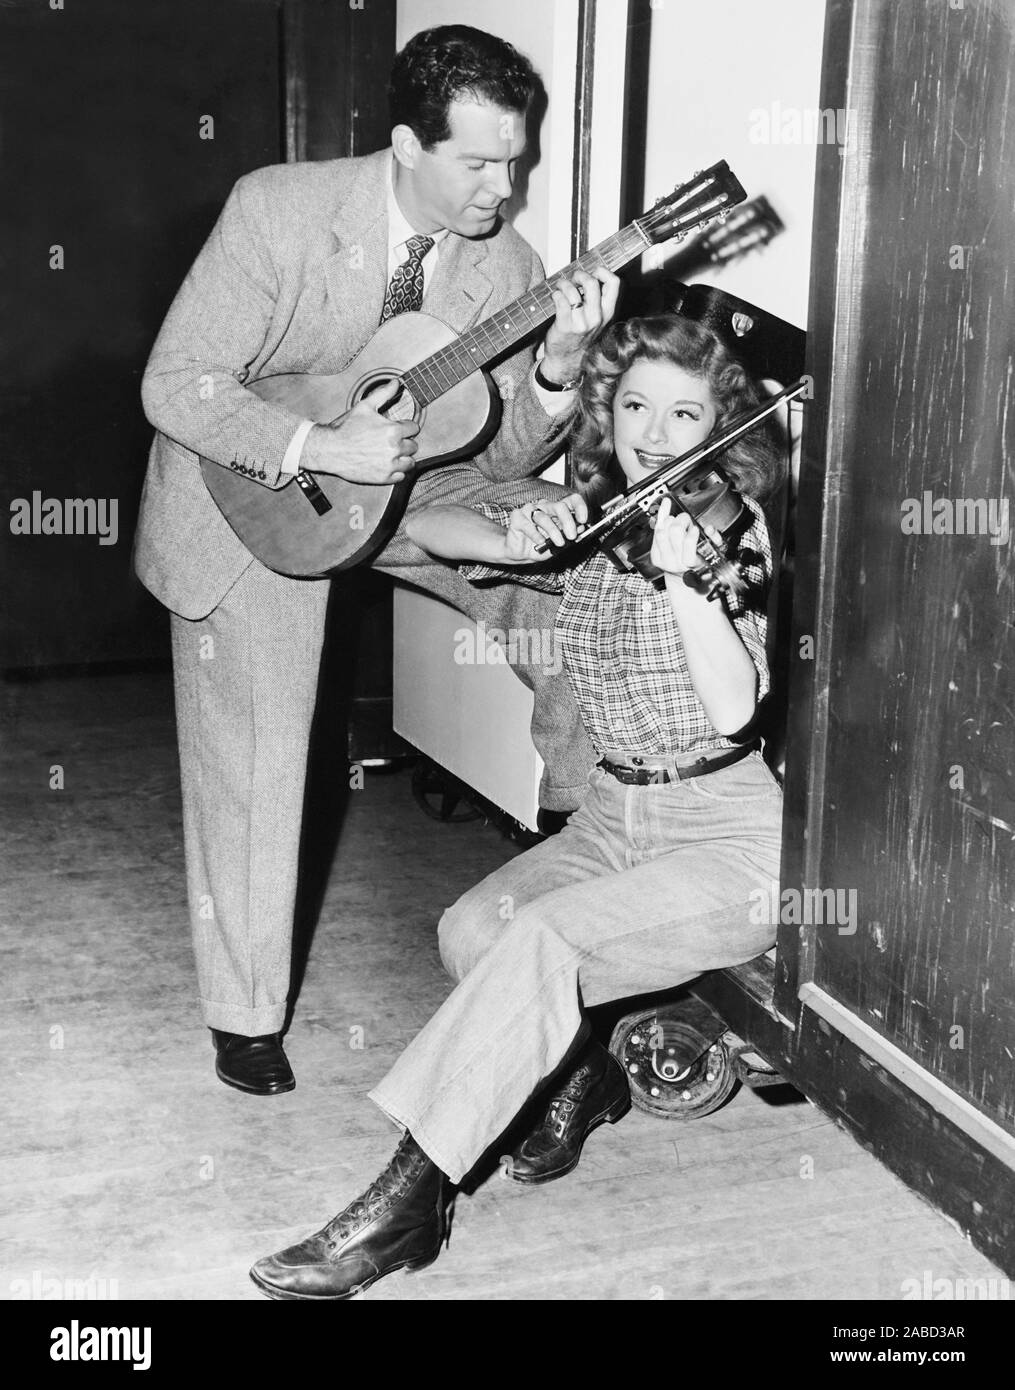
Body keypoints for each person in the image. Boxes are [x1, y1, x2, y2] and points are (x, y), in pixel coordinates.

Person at [248, 313, 786, 1300]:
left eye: (682, 413)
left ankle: (407, 1202)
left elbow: (736, 704)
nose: (654, 434)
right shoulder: (600, 518)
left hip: (728, 840)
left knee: (540, 944)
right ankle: (583, 1075)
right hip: (614, 820)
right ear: (608, 414)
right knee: (472, 931)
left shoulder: (726, 536)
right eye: (633, 407)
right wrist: (520, 527)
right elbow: (418, 527)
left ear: (720, 423)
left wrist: (687, 589)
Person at [132, 25, 617, 1095]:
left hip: (416, 487)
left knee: (590, 569)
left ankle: (580, 862)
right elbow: (178, 384)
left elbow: (497, 455)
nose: (506, 186)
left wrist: (561, 369)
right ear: (406, 143)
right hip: (252, 491)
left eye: (518, 160)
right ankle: (246, 1011)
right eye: (479, 162)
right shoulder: (279, 209)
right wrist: (316, 445)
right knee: (258, 751)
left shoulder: (510, 266)